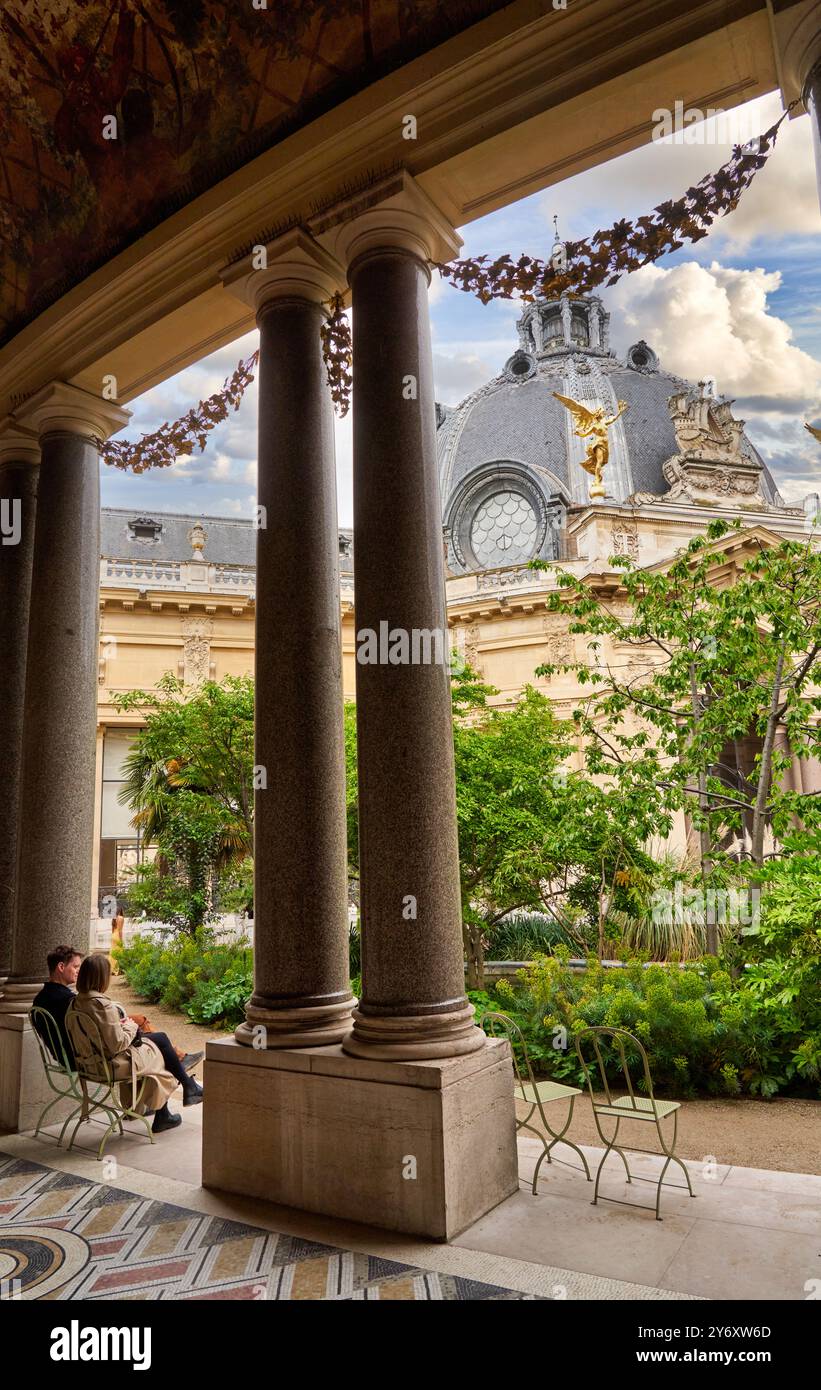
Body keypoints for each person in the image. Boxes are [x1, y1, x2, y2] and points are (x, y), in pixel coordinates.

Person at [66, 953, 203, 1134]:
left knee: (160, 1040)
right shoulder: (101, 1005)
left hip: (89, 1063)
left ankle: (182, 1092)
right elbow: (117, 1044)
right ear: (101, 977)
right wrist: (130, 1026)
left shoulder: (76, 1003)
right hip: (111, 1065)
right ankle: (181, 1093)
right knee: (160, 1050)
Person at [33, 945, 204, 1075]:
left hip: (64, 1053)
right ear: (61, 967)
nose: (78, 972)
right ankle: (178, 1059)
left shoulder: (40, 999)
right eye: (75, 967)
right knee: (141, 1024)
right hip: (82, 1055)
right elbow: (101, 1034)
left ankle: (177, 1057)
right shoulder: (68, 1001)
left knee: (139, 1021)